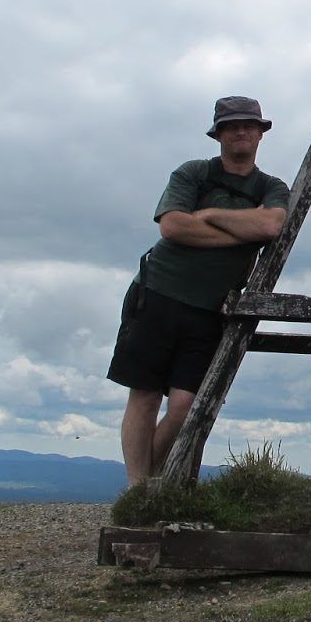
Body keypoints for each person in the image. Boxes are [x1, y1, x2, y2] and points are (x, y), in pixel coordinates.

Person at [108, 95, 289, 485]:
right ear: (218, 134)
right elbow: (172, 227)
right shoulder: (193, 172)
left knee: (186, 405)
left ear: (260, 133)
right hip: (156, 293)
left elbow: (272, 225)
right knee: (144, 394)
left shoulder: (271, 186)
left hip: (211, 310)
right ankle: (139, 491)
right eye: (231, 125)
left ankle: (147, 488)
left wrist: (206, 215)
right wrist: (241, 232)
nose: (241, 131)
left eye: (248, 125)